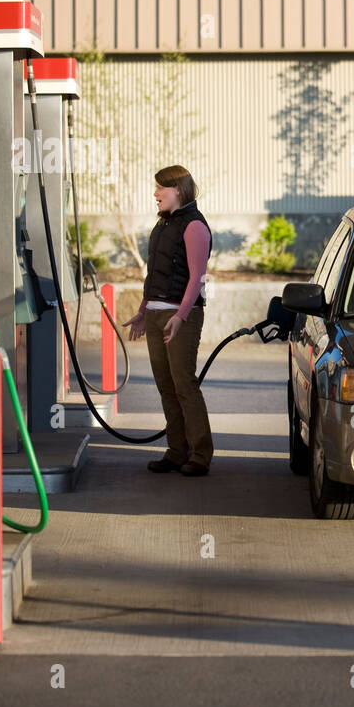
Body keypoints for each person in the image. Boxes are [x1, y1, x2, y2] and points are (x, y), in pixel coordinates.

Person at [124, 165, 214, 477]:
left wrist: (181, 316)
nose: (155, 194)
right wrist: (143, 309)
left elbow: (196, 279)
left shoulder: (194, 226)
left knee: (184, 384)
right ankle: (177, 451)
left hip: (180, 317)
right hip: (155, 314)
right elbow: (155, 275)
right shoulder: (163, 225)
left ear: (178, 189)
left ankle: (200, 455)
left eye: (161, 188)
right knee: (166, 386)